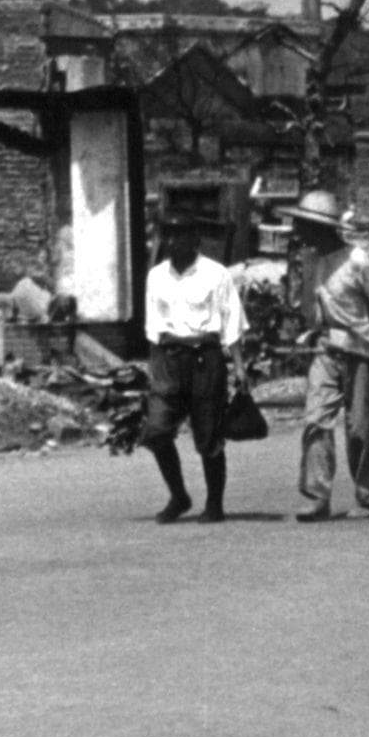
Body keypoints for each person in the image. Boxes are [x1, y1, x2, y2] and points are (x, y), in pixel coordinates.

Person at [288, 191, 369, 525]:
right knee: (316, 420)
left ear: (320, 228)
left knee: (360, 426)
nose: (298, 233)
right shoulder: (313, 262)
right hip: (326, 348)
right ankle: (317, 496)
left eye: (303, 226)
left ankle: (367, 495)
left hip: (361, 350)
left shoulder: (358, 260)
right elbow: (312, 308)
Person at [139, 210, 244, 524]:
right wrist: (151, 368)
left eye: (179, 235)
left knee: (208, 435)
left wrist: (239, 366)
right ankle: (179, 496)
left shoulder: (216, 274)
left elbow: (233, 322)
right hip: (168, 361)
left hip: (205, 360)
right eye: (167, 235)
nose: (171, 242)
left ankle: (214, 503)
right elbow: (153, 328)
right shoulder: (156, 275)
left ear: (195, 240)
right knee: (156, 431)